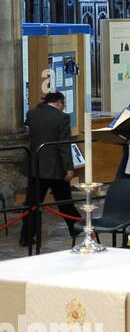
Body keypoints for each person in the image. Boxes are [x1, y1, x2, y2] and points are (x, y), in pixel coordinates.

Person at [20, 91, 77, 244]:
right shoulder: (62, 117)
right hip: (56, 168)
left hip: (35, 166)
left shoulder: (32, 114)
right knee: (65, 202)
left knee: (32, 204)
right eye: (63, 105)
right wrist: (69, 168)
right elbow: (63, 145)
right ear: (58, 103)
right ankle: (76, 230)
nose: (63, 108)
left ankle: (26, 237)